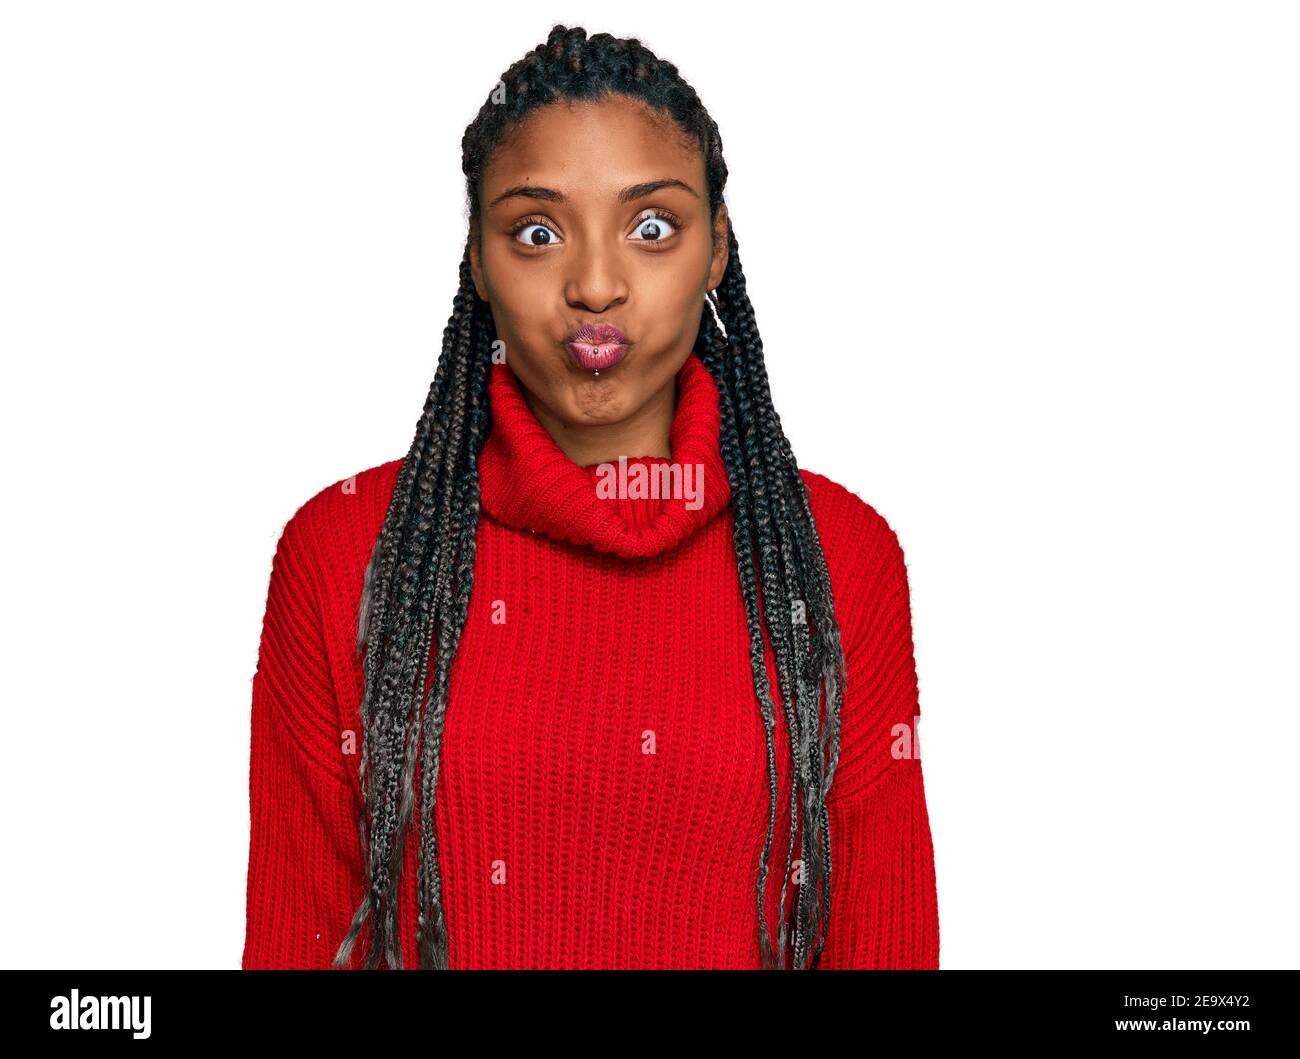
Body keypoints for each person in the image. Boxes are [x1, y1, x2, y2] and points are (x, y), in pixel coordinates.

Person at [242, 23, 939, 971]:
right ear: (479, 262)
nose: (597, 284)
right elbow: (298, 939)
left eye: (652, 227)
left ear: (717, 248)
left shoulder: (840, 557)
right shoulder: (344, 553)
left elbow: (881, 942)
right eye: (536, 231)